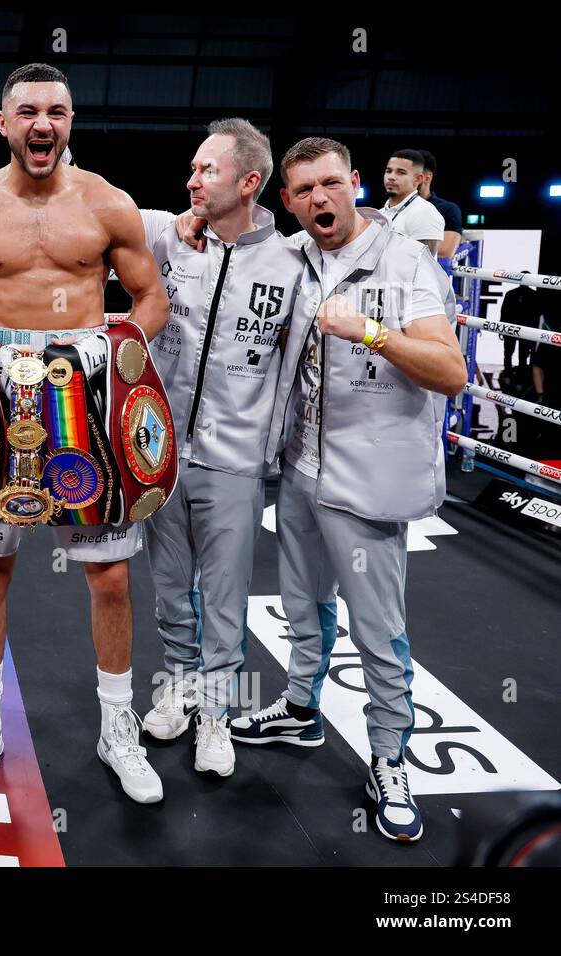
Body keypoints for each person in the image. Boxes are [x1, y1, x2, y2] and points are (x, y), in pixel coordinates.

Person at [0, 63, 170, 803]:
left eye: (55, 110)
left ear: (70, 121)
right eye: (27, 112)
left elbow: (150, 299)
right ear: (4, 123)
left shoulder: (110, 204)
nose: (42, 124)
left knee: (110, 577)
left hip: (82, 403)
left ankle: (119, 731)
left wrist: (114, 360)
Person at [231, 137, 466, 843]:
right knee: (302, 605)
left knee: (376, 628)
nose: (318, 200)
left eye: (330, 184)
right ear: (287, 200)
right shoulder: (296, 258)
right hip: (301, 468)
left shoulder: (404, 261)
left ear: (355, 182)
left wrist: (369, 330)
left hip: (368, 483)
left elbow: (451, 371)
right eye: (302, 191)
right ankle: (301, 707)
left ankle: (390, 757)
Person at [133, 118, 304, 779]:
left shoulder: (292, 263)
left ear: (249, 182)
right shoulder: (161, 235)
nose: (192, 179)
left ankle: (216, 712)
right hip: (160, 450)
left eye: (207, 170)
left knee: (225, 598)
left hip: (234, 460)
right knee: (172, 589)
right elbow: (91, 202)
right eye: (193, 169)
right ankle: (177, 683)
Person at [379, 149, 444, 257]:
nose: (391, 177)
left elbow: (423, 264)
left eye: (401, 172)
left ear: (417, 179)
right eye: (388, 171)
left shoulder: (425, 212)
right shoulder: (380, 214)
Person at [416, 150, 463, 260]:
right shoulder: (389, 207)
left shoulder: (447, 209)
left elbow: (444, 253)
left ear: (427, 177)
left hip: (423, 274)